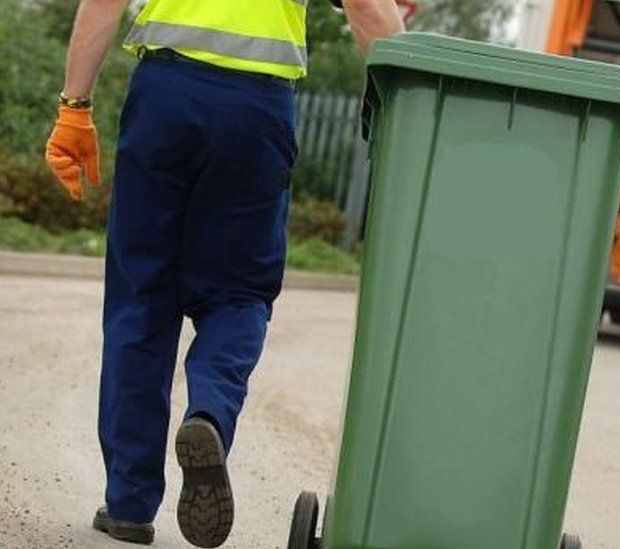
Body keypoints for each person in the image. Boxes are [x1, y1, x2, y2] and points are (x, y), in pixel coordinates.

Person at [44, 0, 404, 546]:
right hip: (256, 111)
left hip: (166, 94)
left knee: (142, 296)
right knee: (240, 294)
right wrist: (409, 92)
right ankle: (209, 414)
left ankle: (129, 503)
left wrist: (75, 104)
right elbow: (368, 10)